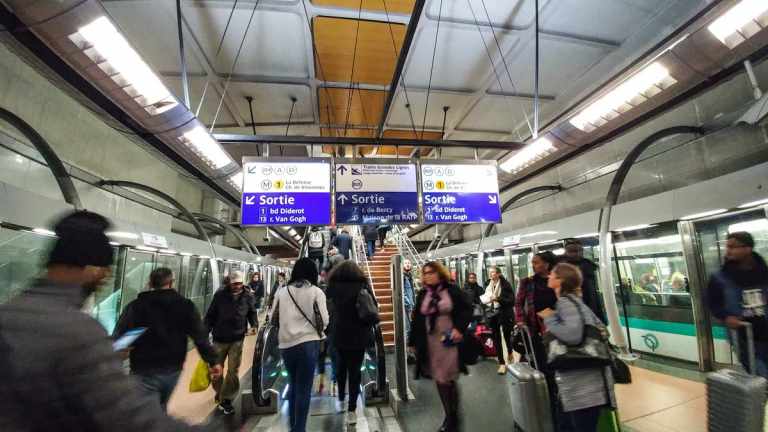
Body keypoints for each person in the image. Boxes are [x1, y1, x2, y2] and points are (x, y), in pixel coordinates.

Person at [0, 210, 210, 431]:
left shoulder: (9, 312)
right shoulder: (79, 332)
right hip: (168, 368)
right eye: (105, 268)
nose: (107, 276)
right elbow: (131, 419)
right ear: (91, 268)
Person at [113, 267, 222, 411]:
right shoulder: (186, 306)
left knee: (146, 411)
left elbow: (120, 337)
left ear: (150, 284)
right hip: (172, 369)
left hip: (143, 368)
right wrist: (213, 362)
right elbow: (200, 338)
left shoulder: (136, 306)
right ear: (171, 283)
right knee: (160, 408)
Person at [537, 263, 616, 432]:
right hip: (585, 383)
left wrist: (549, 318)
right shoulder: (576, 301)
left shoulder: (566, 302)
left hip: (582, 386)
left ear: (560, 280)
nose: (549, 276)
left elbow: (573, 335)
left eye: (553, 274)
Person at [409, 261, 472, 432]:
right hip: (431, 343)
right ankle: (449, 415)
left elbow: (467, 309)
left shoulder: (451, 291)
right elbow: (417, 319)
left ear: (439, 273)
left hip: (449, 341)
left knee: (447, 378)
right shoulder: (424, 294)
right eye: (425, 273)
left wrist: (459, 328)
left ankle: (453, 417)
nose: (427, 276)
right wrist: (412, 341)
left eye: (431, 272)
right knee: (439, 378)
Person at [271, 258, 329, 432]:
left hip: (286, 344)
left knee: (293, 384)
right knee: (304, 389)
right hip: (308, 344)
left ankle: (293, 426)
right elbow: (325, 321)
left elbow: (273, 316)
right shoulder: (316, 292)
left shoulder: (282, 292)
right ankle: (299, 429)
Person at [707, 231, 768, 378]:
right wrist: (726, 316)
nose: (728, 250)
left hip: (765, 330)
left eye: (733, 247)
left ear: (747, 249)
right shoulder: (719, 277)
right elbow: (712, 302)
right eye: (727, 246)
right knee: (761, 377)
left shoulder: (764, 273)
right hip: (744, 337)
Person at [326, 261, 377, 425]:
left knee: (340, 369)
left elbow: (327, 309)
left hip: (338, 334)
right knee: (355, 373)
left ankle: (340, 398)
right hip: (358, 335)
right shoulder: (362, 285)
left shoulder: (332, 286)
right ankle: (352, 411)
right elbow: (373, 307)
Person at [204, 270, 258, 414]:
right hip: (219, 338)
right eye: (235, 284)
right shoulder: (220, 295)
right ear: (229, 282)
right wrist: (204, 332)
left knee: (233, 370)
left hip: (237, 338)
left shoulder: (248, 295)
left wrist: (254, 325)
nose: (238, 286)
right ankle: (220, 392)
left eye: (240, 283)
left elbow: (252, 312)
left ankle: (227, 399)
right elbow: (210, 315)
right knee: (216, 370)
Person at [514, 251, 558, 368]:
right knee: (540, 360)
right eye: (532, 263)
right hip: (535, 328)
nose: (533, 265)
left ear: (547, 265)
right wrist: (520, 320)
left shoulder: (557, 280)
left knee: (556, 358)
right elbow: (518, 303)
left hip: (556, 326)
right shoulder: (527, 282)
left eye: (536, 263)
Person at [480, 266, 516, 374]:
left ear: (499, 274)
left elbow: (511, 301)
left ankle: (510, 352)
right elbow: (486, 296)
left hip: (504, 313)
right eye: (490, 272)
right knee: (496, 338)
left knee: (507, 335)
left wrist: (498, 299)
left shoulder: (505, 285)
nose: (491, 274)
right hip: (493, 314)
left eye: (493, 272)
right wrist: (485, 301)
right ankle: (501, 363)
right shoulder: (488, 285)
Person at [559, 239, 603, 321]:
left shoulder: (589, 265)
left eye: (580, 250)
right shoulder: (561, 268)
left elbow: (592, 291)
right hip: (571, 310)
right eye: (573, 251)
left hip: (591, 306)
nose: (578, 253)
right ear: (566, 252)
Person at [403, 259, 416, 339]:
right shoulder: (403, 276)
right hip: (407, 304)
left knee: (410, 323)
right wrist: (408, 302)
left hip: (411, 302)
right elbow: (403, 291)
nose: (407, 264)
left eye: (409, 263)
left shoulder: (409, 275)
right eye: (405, 263)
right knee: (408, 324)